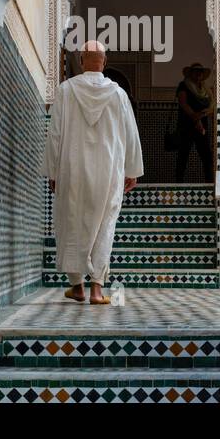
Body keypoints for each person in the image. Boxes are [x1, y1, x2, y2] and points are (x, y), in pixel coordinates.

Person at [46, 40, 144, 304]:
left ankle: (76, 286)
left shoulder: (65, 90)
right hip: (109, 170)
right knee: (104, 224)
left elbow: (54, 135)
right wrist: (132, 170)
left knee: (72, 223)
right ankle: (97, 290)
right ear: (105, 61)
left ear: (81, 59)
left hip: (72, 169)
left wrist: (53, 172)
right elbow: (130, 134)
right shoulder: (118, 94)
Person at [175, 62, 214, 183]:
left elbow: (211, 107)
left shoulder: (205, 89)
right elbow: (183, 103)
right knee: (183, 155)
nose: (199, 74)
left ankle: (209, 183)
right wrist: (195, 119)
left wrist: (201, 116)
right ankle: (179, 184)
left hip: (202, 127)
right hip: (186, 125)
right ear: (191, 73)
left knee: (207, 156)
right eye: (196, 71)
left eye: (200, 72)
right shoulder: (184, 86)